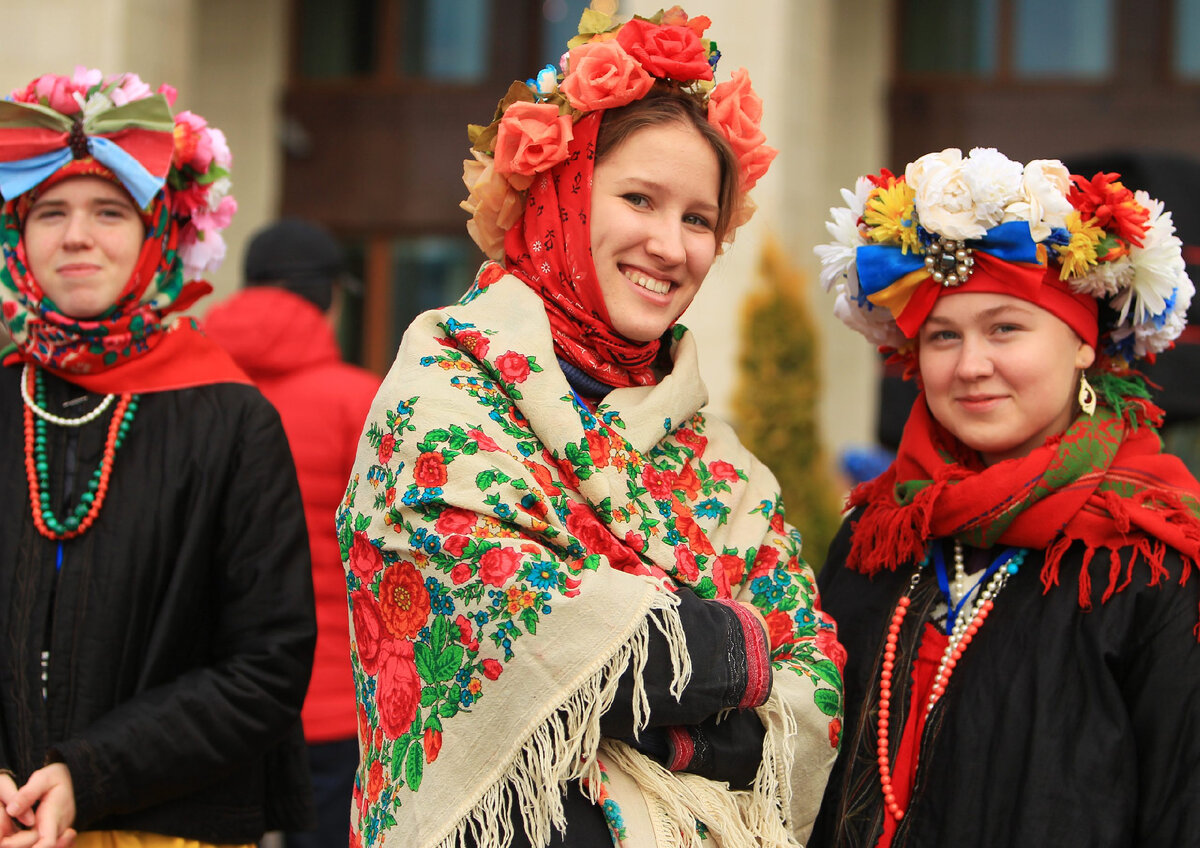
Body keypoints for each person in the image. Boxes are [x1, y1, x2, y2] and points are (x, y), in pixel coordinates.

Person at [341, 8, 845, 848]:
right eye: (639, 198)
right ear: (560, 197)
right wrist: (733, 652)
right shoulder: (443, 397)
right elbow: (521, 619)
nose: (669, 244)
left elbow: (816, 676)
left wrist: (668, 711)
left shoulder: (721, 460)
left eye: (697, 218)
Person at [809, 147, 1200, 846]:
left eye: (1005, 329)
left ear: (1083, 343)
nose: (971, 366)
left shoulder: (1151, 561)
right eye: (943, 336)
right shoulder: (879, 532)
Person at [0, 69, 316, 848]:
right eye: (50, 212)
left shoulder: (233, 418)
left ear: (157, 237)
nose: (76, 237)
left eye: (109, 211)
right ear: (18, 235)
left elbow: (268, 666)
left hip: (175, 830)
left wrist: (87, 774)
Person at [204, 218, 380, 848]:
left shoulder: (191, 392)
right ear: (329, 298)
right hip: (332, 693)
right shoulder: (358, 402)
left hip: (210, 693)